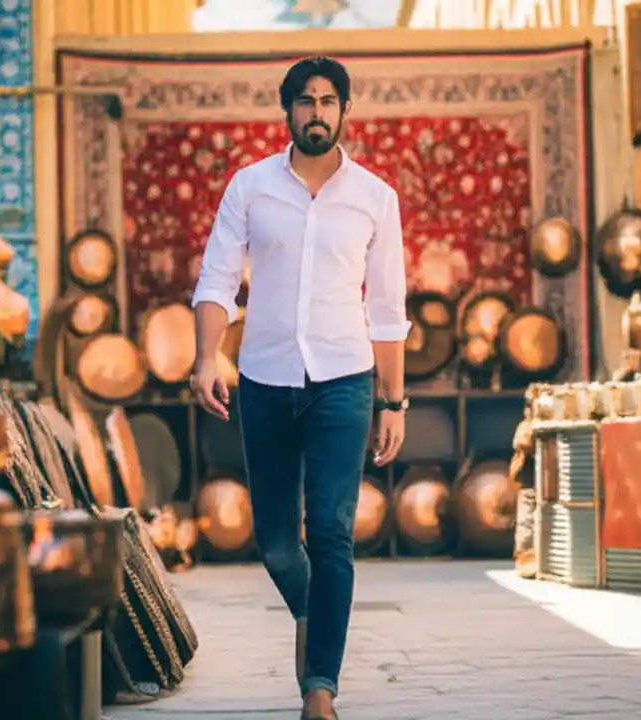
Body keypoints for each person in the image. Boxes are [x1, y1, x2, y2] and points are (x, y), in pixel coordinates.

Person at [189, 56, 410, 720]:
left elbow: (390, 308)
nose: (317, 112)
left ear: (346, 111)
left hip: (345, 380)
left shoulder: (375, 197)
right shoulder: (250, 188)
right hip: (264, 378)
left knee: (333, 533)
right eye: (305, 102)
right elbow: (216, 282)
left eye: (328, 101)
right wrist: (206, 359)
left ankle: (321, 690)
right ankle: (318, 615)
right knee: (278, 542)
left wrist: (393, 401)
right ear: (287, 111)